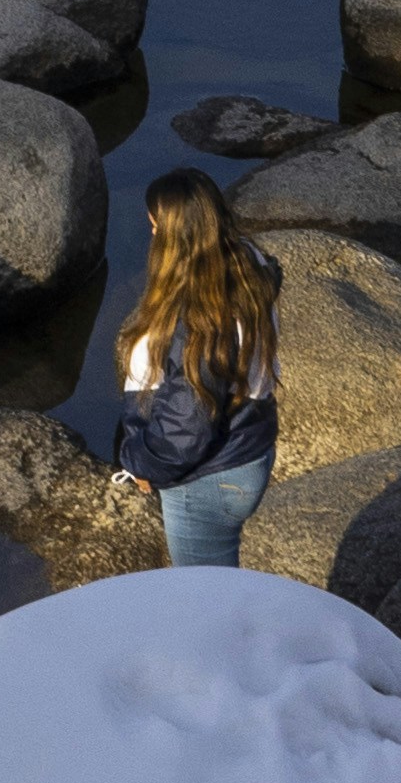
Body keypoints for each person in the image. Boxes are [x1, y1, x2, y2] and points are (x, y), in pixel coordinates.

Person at [109, 174, 282, 567]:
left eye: (156, 227)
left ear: (177, 235)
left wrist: (140, 462)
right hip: (249, 447)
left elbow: (188, 426)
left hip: (207, 478)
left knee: (206, 595)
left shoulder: (200, 318)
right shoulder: (249, 263)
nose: (152, 236)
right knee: (222, 582)